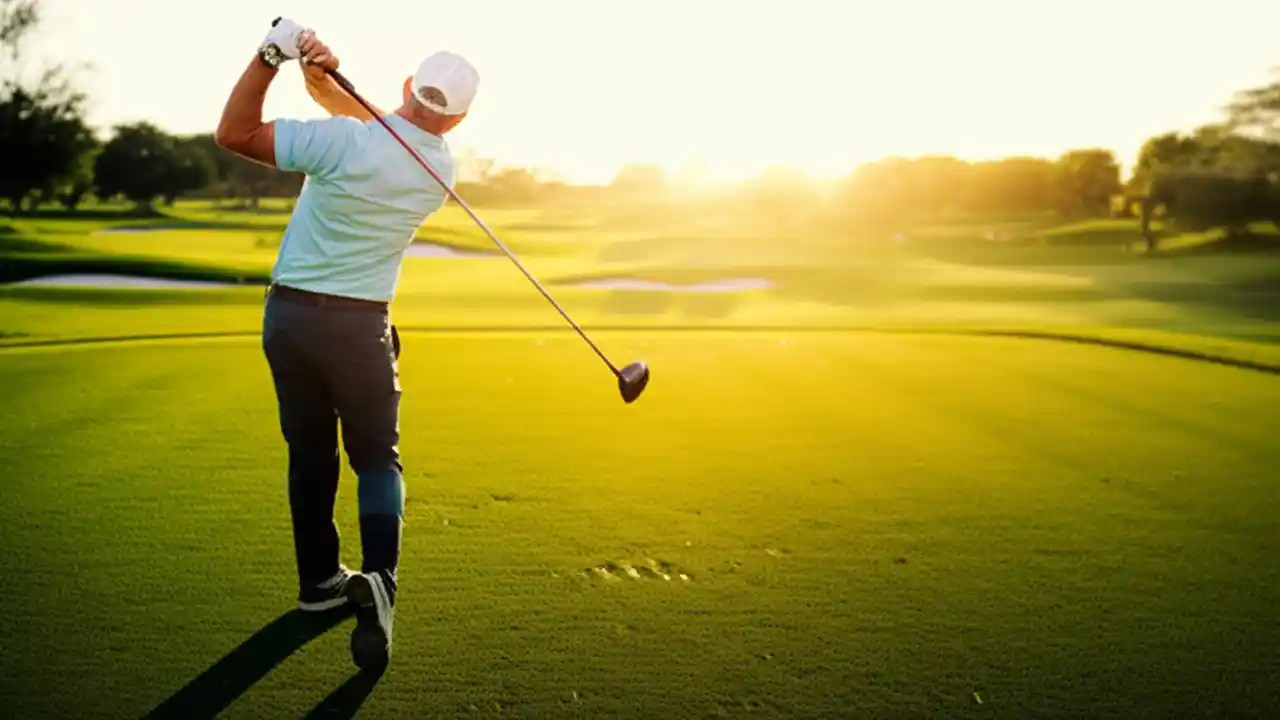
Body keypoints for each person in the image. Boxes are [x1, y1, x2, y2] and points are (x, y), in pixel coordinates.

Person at [215, 17, 479, 669]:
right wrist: (323, 77)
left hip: (290, 322)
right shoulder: (437, 172)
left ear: (408, 83)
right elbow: (383, 129)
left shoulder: (340, 143)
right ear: (462, 120)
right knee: (376, 461)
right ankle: (380, 581)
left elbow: (234, 134)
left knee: (310, 457)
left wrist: (271, 56)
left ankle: (319, 585)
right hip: (361, 329)